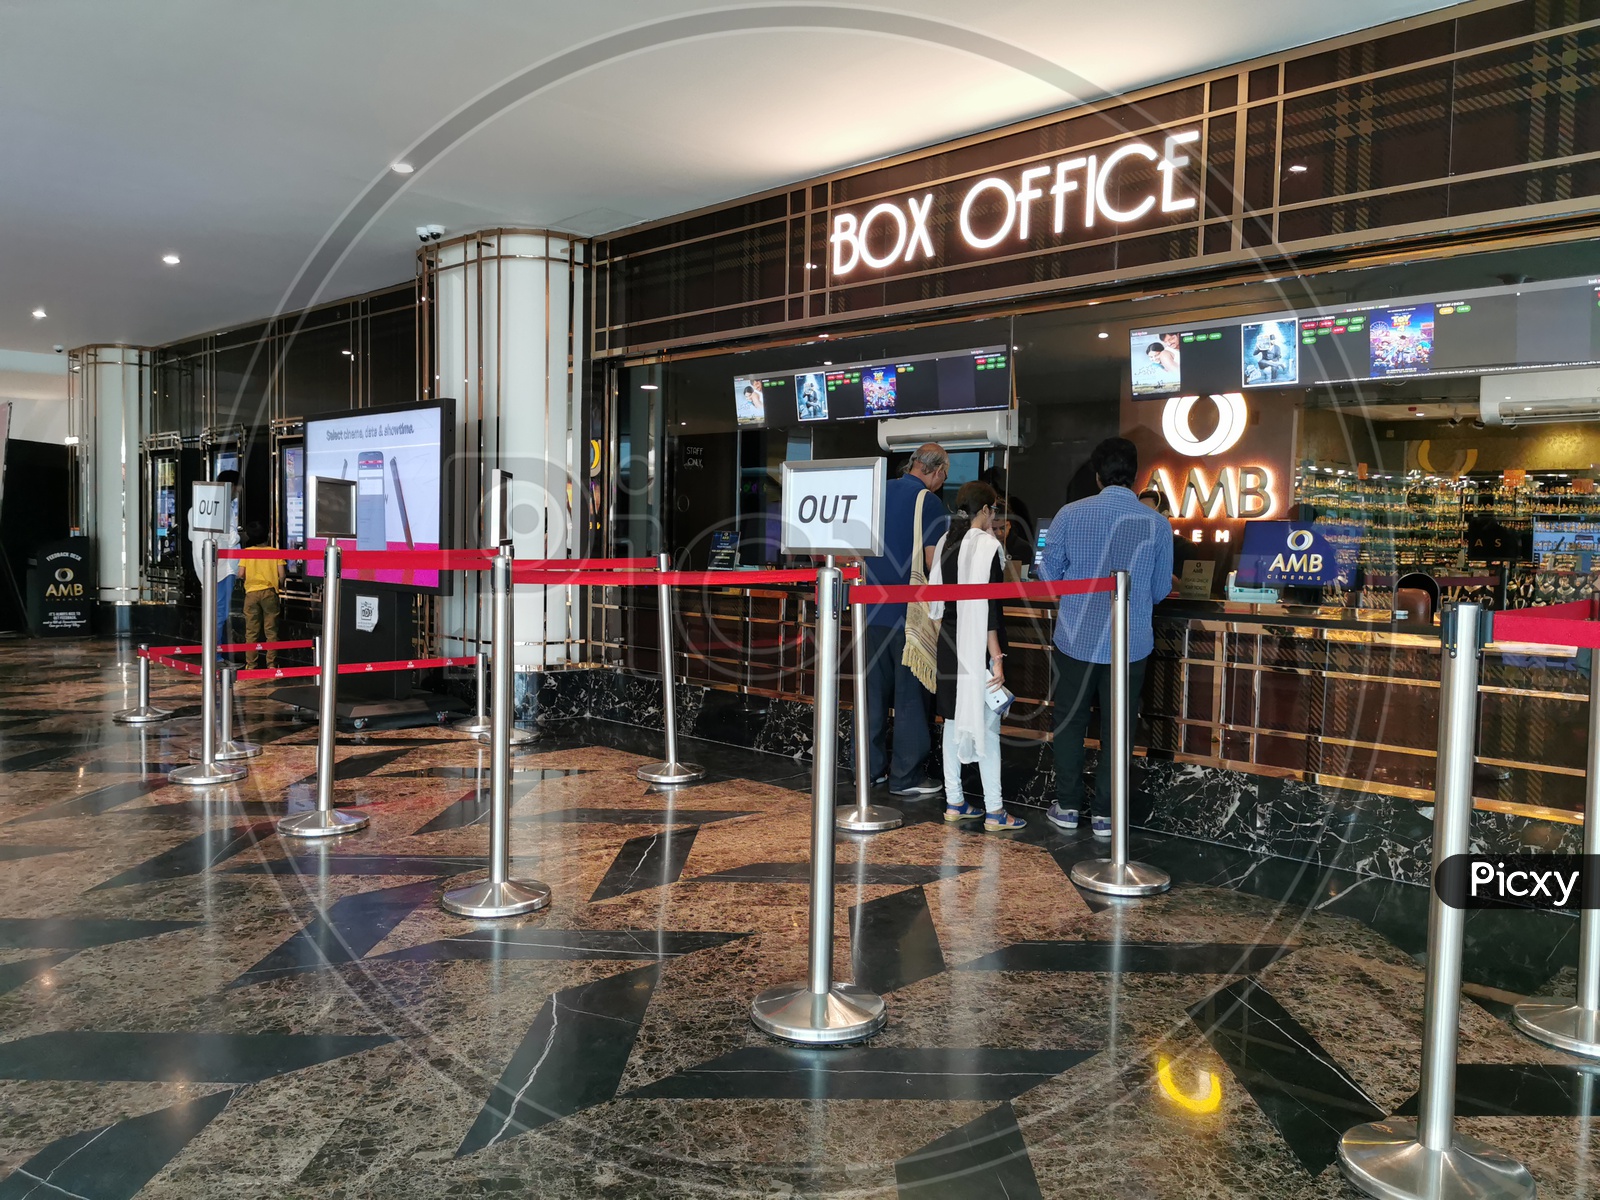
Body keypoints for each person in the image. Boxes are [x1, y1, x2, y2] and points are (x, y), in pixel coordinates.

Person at [1039, 438, 1173, 838]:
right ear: (1134, 475)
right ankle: (1104, 816)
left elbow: (1047, 578)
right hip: (1129, 643)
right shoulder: (1157, 523)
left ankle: (1066, 807)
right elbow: (1160, 589)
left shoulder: (1069, 514)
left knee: (1070, 722)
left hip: (1075, 639)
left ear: (1096, 474)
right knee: (1119, 728)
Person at [927, 480, 1025, 831]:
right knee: (987, 730)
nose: (994, 518)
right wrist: (996, 657)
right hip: (978, 648)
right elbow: (990, 610)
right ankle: (995, 811)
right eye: (994, 510)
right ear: (985, 511)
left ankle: (955, 802)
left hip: (949, 644)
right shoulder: (988, 547)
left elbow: (938, 605)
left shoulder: (944, 543)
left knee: (952, 723)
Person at [861, 443, 949, 798]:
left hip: (867, 609)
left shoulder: (875, 492)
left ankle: (868, 771)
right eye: (945, 474)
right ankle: (906, 776)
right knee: (911, 696)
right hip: (906, 614)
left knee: (871, 697)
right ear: (937, 470)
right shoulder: (928, 502)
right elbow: (932, 562)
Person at [188, 469, 241, 651]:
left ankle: (216, 653)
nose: (239, 491)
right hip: (223, 568)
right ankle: (215, 656)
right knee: (220, 613)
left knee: (213, 611)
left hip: (204, 568)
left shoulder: (195, 508)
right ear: (232, 486)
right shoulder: (224, 508)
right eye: (239, 487)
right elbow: (232, 538)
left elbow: (191, 536)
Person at [240, 521, 286, 671]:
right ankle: (271, 664)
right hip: (270, 592)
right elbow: (282, 575)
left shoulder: (246, 552)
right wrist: (277, 584)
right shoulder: (275, 552)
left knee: (251, 632)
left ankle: (251, 665)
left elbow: (241, 574)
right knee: (271, 631)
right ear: (267, 536)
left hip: (251, 593)